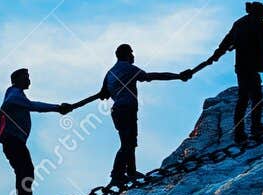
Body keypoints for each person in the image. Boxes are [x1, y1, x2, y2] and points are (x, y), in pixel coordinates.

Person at [69, 44, 190, 184]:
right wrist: (178, 76)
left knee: (129, 142)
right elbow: (152, 76)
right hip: (127, 109)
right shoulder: (129, 69)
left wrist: (76, 105)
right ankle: (117, 174)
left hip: (117, 111)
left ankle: (131, 171)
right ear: (127, 54)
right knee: (128, 143)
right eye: (132, 53)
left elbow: (102, 94)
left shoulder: (110, 73)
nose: (133, 56)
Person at [0, 69, 73, 195]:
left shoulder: (14, 95)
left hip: (14, 141)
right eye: (26, 77)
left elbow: (3, 111)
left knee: (24, 170)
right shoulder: (15, 95)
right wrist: (57, 108)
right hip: (13, 141)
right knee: (25, 170)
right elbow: (33, 106)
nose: (29, 80)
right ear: (17, 79)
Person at [198, 0, 263, 145]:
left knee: (252, 97)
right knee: (247, 98)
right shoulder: (244, 24)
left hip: (247, 67)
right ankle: (243, 131)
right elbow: (226, 42)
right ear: (257, 13)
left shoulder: (251, 25)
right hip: (245, 66)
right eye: (262, 15)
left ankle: (252, 128)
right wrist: (215, 56)